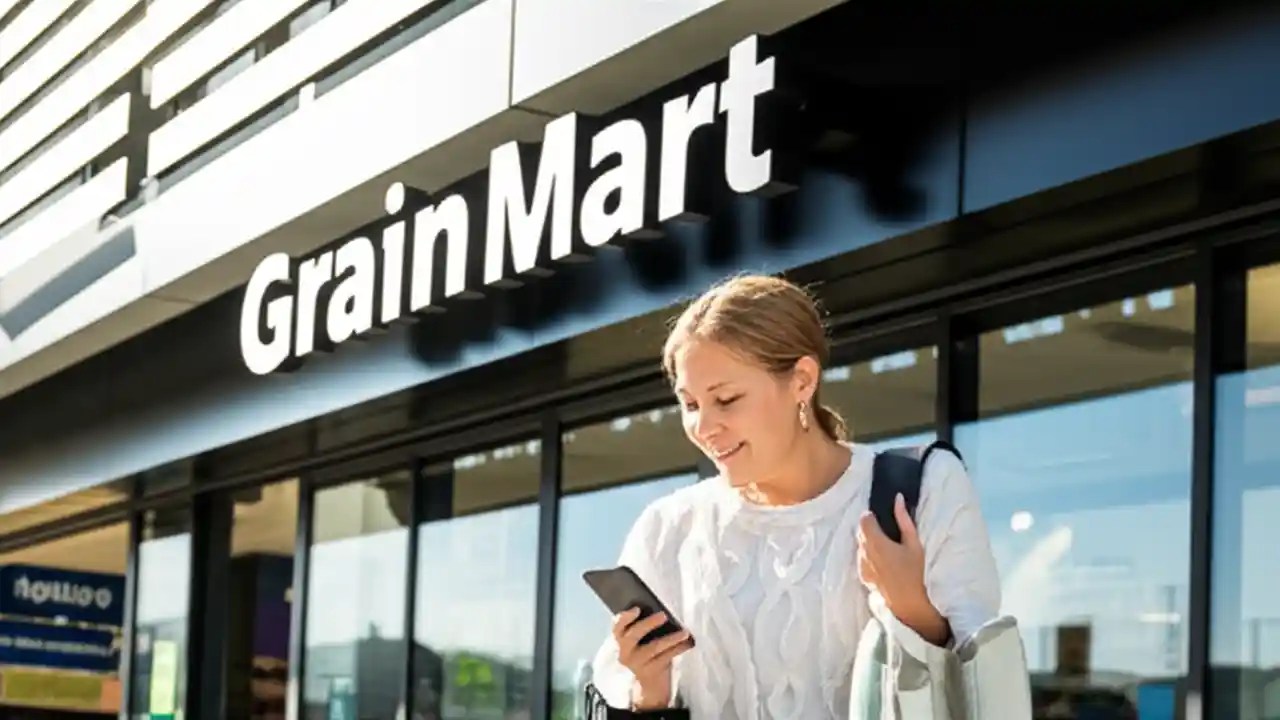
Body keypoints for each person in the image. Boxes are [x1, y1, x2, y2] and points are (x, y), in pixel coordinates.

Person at [588, 274, 1002, 719]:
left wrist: (913, 612)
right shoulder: (669, 528)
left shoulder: (921, 487)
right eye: (690, 405)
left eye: (726, 399)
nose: (704, 428)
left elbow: (981, 691)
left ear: (802, 380)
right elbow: (631, 697)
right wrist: (648, 692)